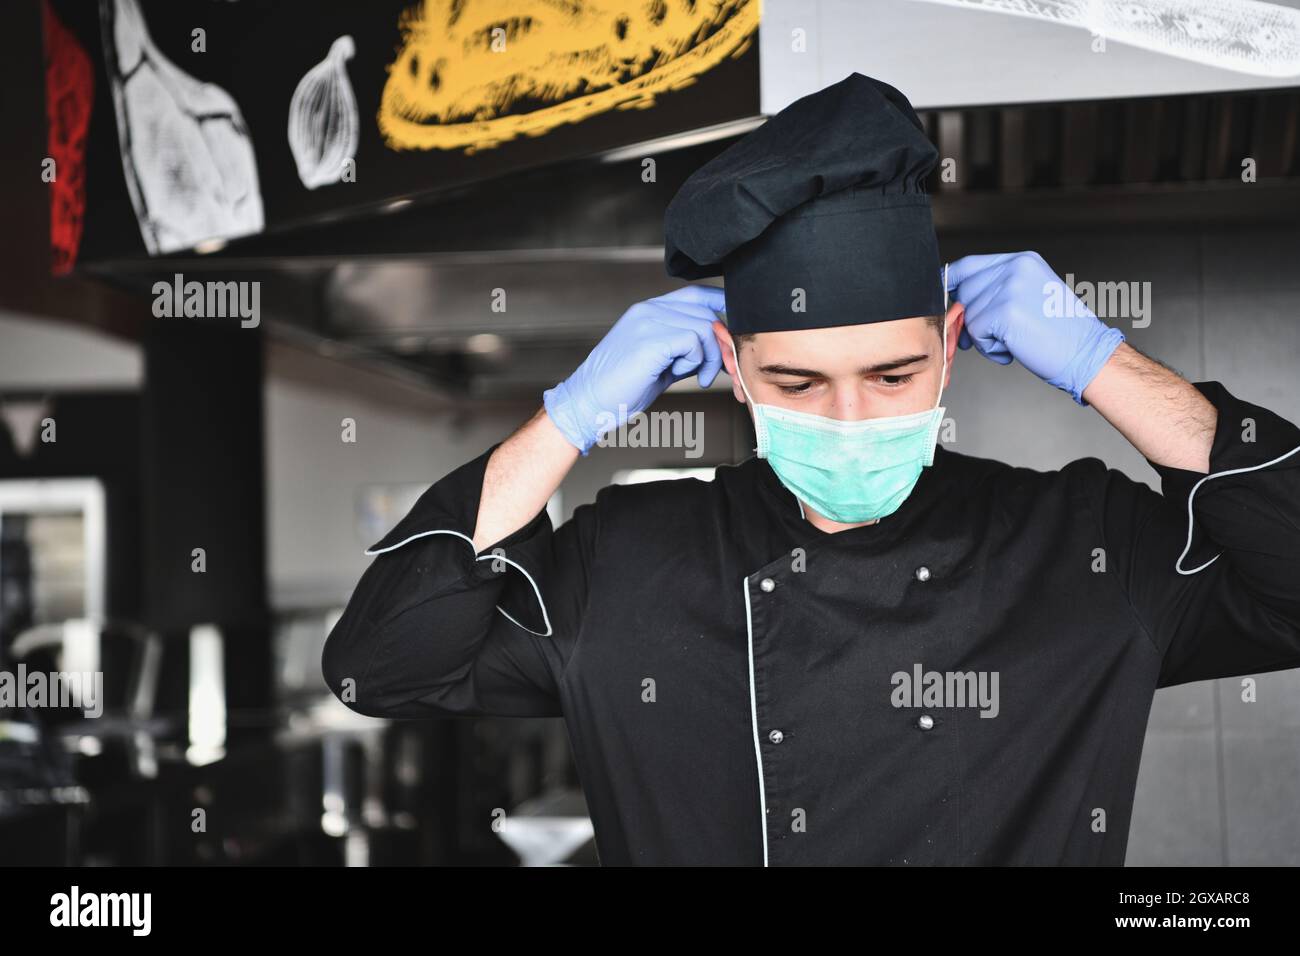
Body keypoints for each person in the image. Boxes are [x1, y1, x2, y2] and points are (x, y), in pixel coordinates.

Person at [322, 73, 1300, 865]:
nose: (849, 417)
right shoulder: (622, 561)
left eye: (893, 372)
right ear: (733, 368)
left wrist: (1104, 365)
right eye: (796, 378)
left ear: (950, 346)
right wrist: (572, 415)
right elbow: (379, 666)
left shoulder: (1084, 546)